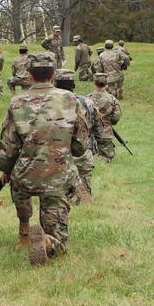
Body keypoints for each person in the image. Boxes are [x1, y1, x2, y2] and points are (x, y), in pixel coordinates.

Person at [0, 53, 89, 266]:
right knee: (60, 241)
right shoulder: (70, 99)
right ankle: (48, 241)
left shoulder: (16, 102)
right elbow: (80, 145)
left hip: (25, 176)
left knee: (19, 187)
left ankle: (25, 233)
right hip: (57, 176)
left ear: (29, 76)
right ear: (54, 74)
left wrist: (7, 170)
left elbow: (7, 149)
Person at [54, 68, 110, 205]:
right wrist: (103, 150)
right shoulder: (87, 103)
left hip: (57, 154)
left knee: (59, 190)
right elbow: (100, 130)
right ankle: (82, 201)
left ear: (55, 83)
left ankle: (69, 200)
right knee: (84, 183)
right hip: (84, 151)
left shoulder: (49, 104)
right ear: (73, 84)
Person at [87, 72, 121, 161]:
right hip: (105, 134)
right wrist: (109, 122)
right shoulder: (112, 99)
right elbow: (116, 117)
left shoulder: (87, 98)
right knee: (109, 156)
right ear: (107, 83)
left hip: (90, 133)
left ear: (95, 82)